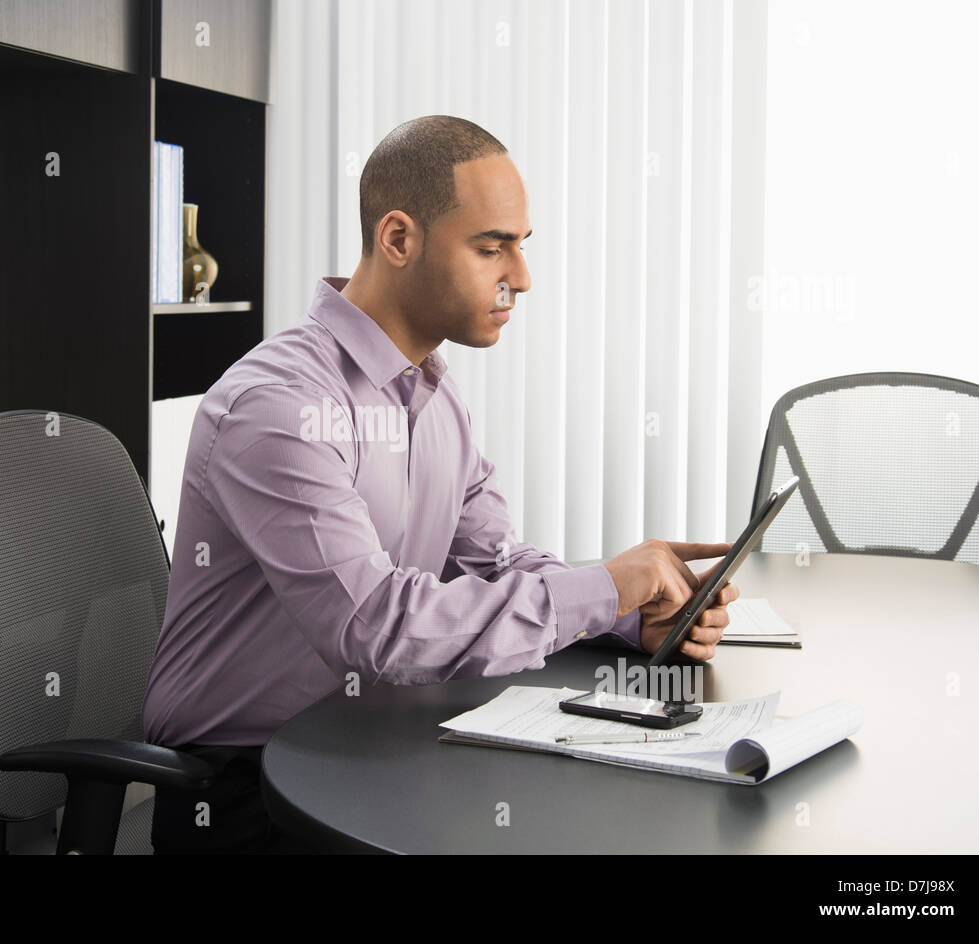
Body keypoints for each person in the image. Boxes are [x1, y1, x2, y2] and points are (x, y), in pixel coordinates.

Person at [142, 115, 738, 854]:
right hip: (249, 787)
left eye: (521, 246)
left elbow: (493, 559)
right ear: (398, 239)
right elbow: (377, 626)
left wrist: (629, 614)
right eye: (493, 247)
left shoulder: (429, 391)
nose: (520, 276)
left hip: (379, 738)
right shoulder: (280, 406)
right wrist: (607, 587)